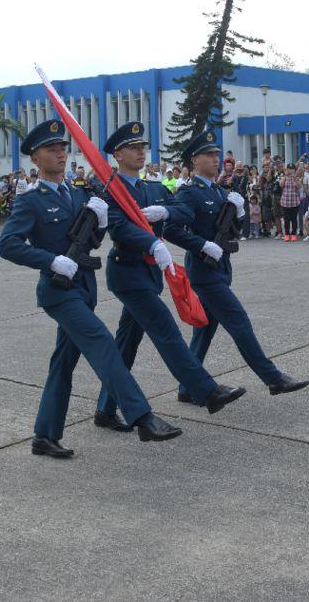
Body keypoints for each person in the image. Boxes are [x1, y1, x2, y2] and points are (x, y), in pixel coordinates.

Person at [0, 119, 181, 456]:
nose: (60, 154)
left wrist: (98, 222)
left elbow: (91, 242)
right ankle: (142, 416)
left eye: (63, 148)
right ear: (35, 159)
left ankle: (44, 435)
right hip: (58, 290)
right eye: (51, 150)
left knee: (63, 363)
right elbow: (7, 244)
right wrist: (49, 261)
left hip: (84, 286)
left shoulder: (80, 193)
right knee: (102, 343)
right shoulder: (30, 200)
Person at [93, 121, 247, 429]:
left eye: (142, 147)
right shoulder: (109, 190)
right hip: (127, 271)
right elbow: (119, 227)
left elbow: (184, 213)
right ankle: (205, 390)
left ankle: (105, 410)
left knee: (126, 344)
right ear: (117, 155)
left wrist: (165, 213)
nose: (140, 152)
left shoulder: (153, 187)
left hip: (150, 273)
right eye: (133, 148)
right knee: (166, 330)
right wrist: (150, 239)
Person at [170, 130, 309, 402]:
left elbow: (233, 230)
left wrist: (240, 212)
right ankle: (272, 377)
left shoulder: (221, 191)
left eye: (216, 154)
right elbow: (171, 228)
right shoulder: (189, 193)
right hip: (204, 271)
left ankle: (187, 387)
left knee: (204, 331)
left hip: (221, 269)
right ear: (195, 160)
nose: (216, 159)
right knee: (239, 321)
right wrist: (200, 245)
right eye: (209, 155)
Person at [279, 165, 302, 241]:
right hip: (285, 201)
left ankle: (293, 234)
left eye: (292, 169)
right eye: (289, 169)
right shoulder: (284, 177)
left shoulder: (297, 178)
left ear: (294, 170)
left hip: (294, 201)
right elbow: (281, 185)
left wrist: (294, 178)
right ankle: (287, 234)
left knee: (294, 219)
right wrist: (285, 177)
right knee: (286, 219)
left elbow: (298, 187)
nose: (290, 171)